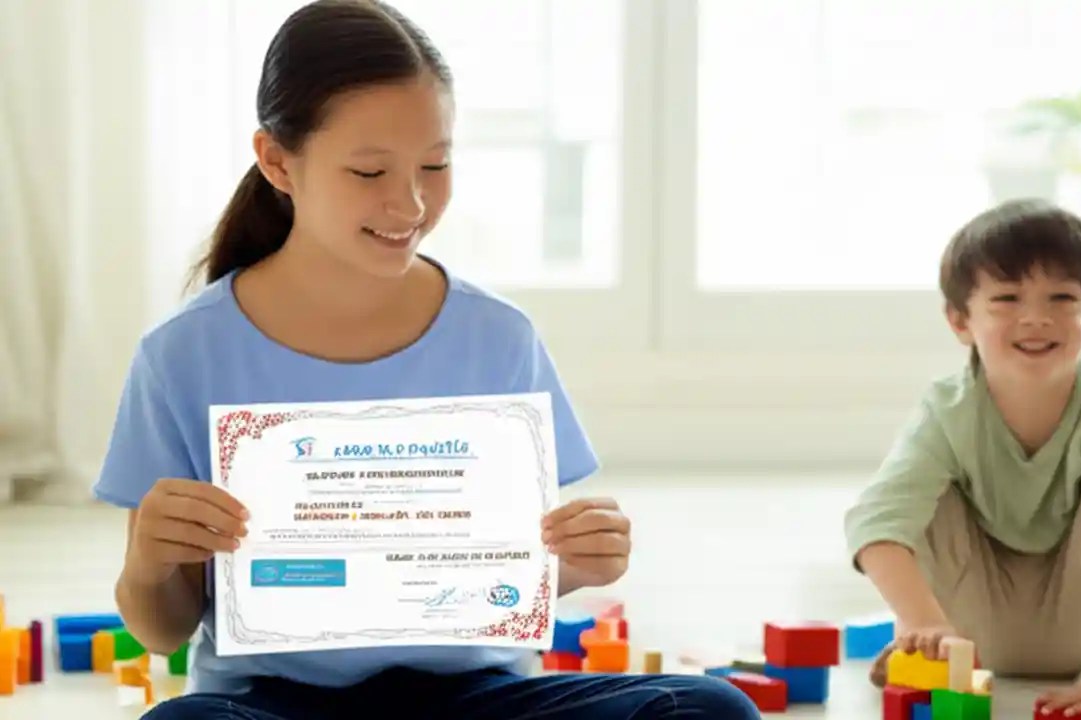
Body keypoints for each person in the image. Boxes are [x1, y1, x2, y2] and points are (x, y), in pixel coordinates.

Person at [93, 2, 758, 718]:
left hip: (479, 700)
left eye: (435, 164)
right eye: (369, 170)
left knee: (708, 709)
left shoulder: (498, 336)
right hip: (272, 702)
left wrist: (575, 564)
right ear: (278, 161)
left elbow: (504, 576)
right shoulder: (184, 355)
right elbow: (161, 631)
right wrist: (151, 563)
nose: (408, 202)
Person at [842, 199, 1081, 720]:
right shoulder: (947, 410)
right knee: (919, 495)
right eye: (1007, 298)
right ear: (960, 320)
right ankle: (924, 657)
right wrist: (926, 623)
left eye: (1062, 298)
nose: (1036, 318)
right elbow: (876, 523)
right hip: (965, 637)